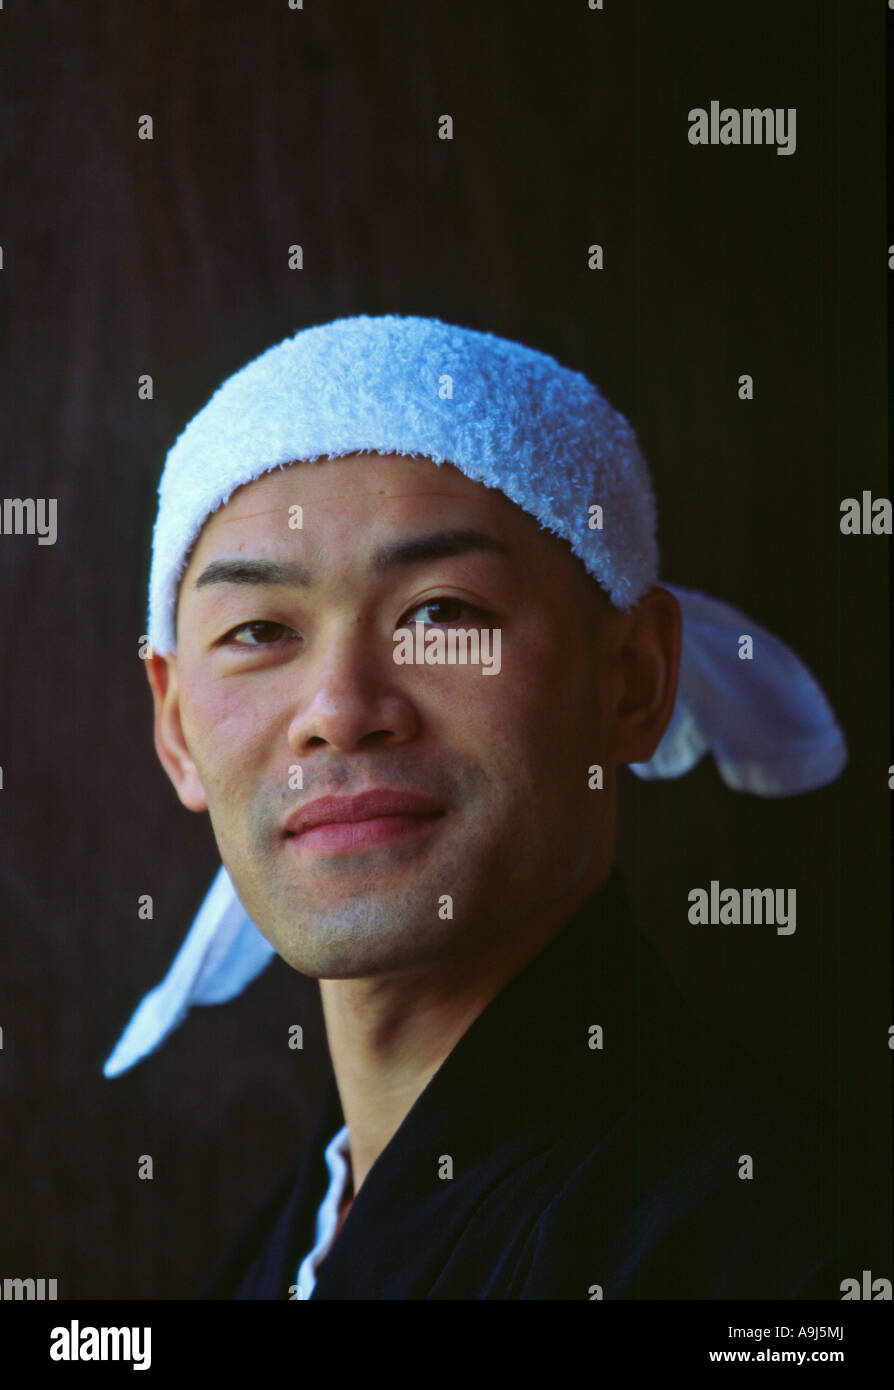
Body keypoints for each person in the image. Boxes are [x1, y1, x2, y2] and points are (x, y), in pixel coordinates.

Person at [104, 314, 881, 1299]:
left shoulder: (780, 1254)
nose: (341, 711)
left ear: (631, 681)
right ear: (176, 729)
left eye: (442, 613)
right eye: (260, 629)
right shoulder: (282, 1250)